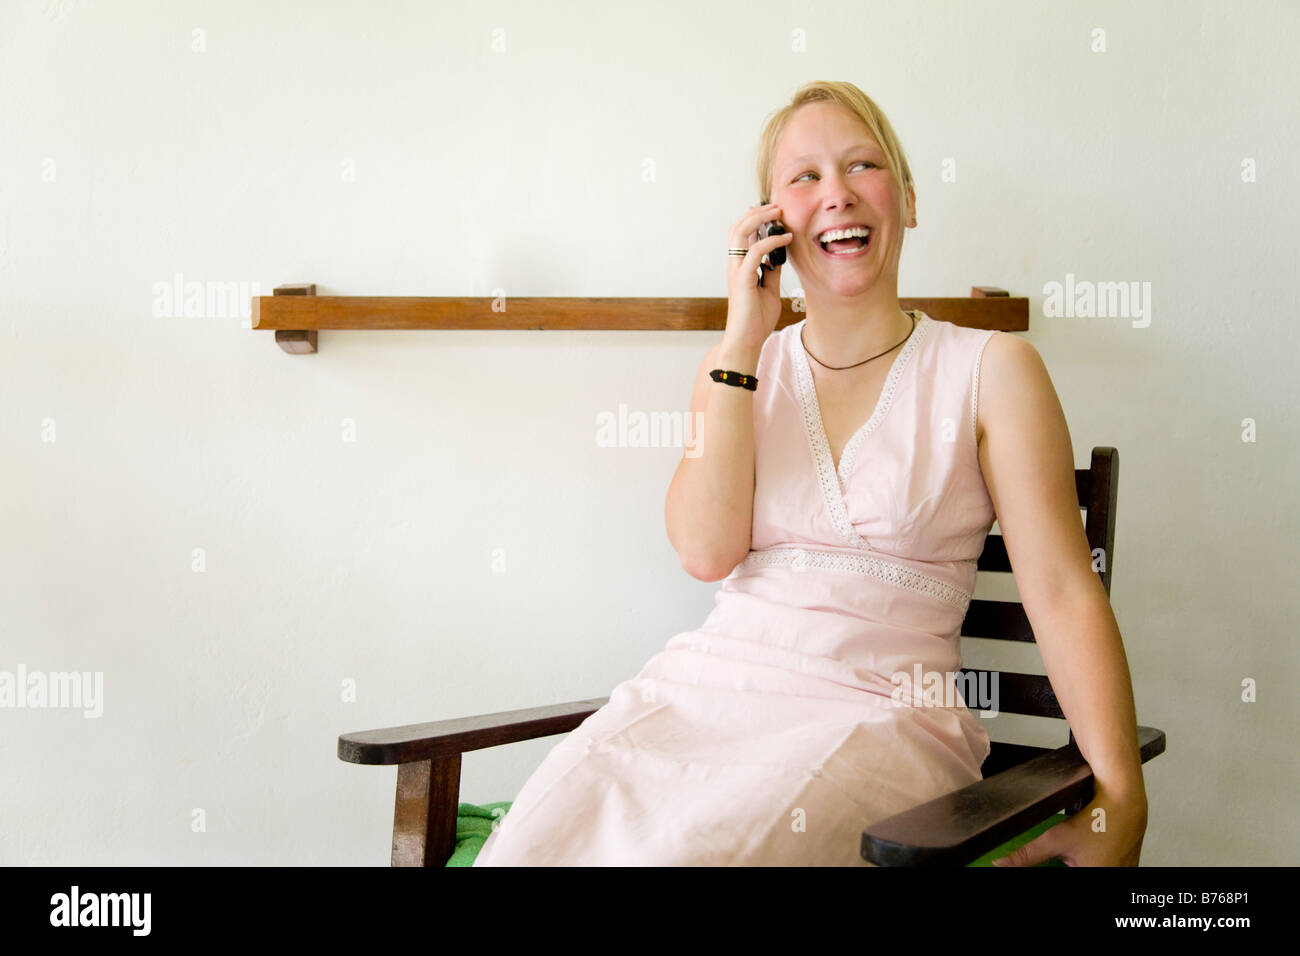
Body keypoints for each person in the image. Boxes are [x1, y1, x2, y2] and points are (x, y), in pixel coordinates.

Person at [474, 80, 1148, 866]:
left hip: (882, 715)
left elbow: (1064, 591)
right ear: (771, 225)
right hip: (703, 693)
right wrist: (740, 343)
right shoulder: (737, 369)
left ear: (908, 199)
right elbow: (705, 551)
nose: (836, 194)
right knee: (530, 842)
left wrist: (1121, 801)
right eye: (804, 178)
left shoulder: (991, 371)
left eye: (861, 166)